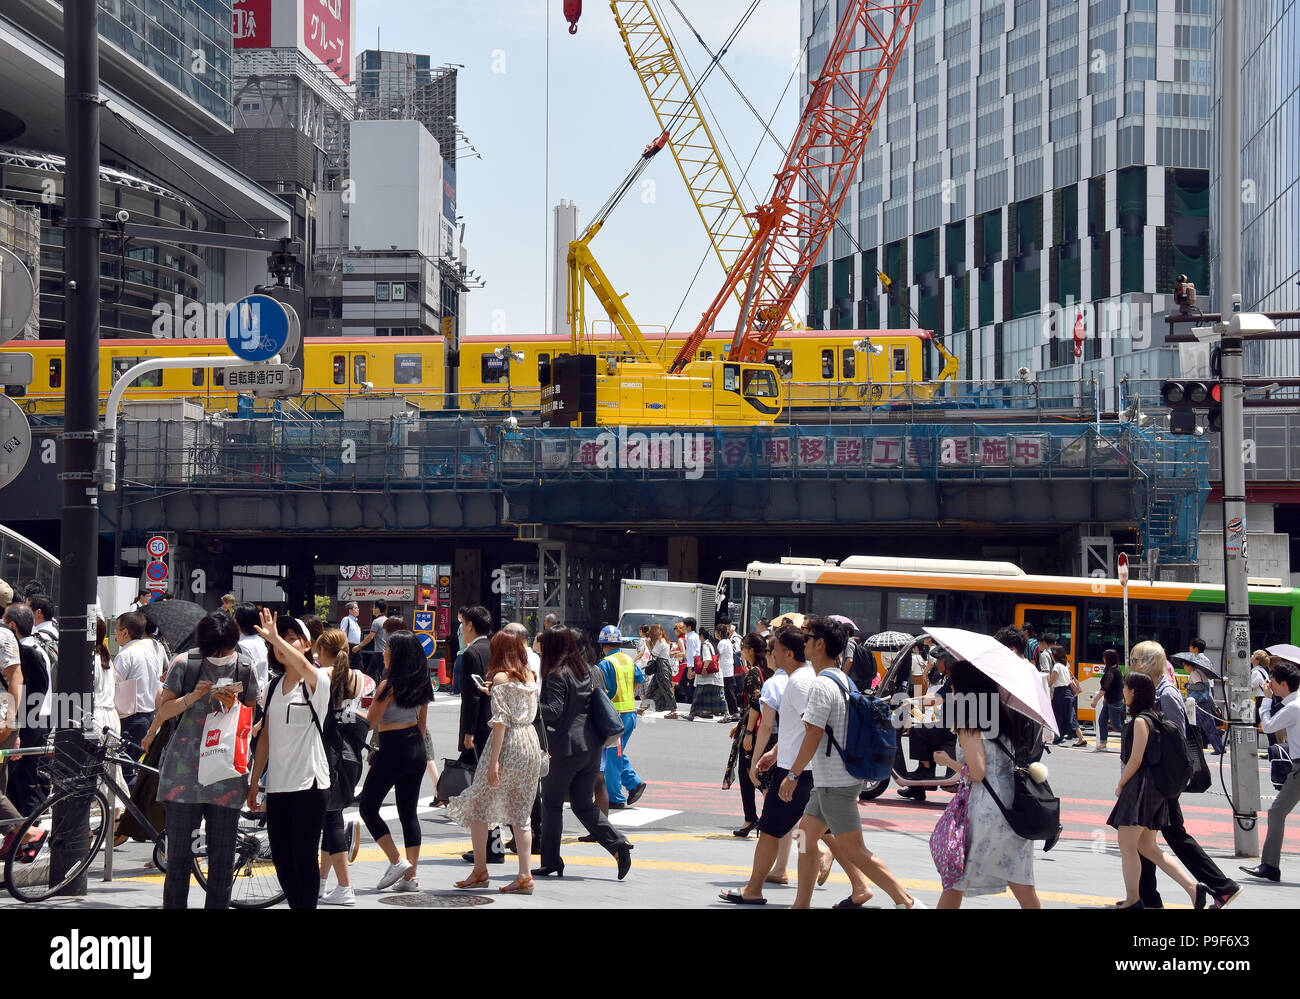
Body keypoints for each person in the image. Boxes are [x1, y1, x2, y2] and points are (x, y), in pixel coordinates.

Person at [781, 616, 921, 909]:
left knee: (854, 849)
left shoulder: (822, 685)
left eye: (806, 638)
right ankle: (800, 904)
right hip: (831, 781)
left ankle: (906, 901)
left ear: (819, 644)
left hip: (836, 784)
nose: (803, 642)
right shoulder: (842, 679)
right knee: (806, 838)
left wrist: (793, 775)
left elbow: (813, 734)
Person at [154, 611, 260, 909]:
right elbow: (162, 711)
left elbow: (251, 717)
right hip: (182, 775)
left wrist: (235, 704)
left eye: (226, 648)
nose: (221, 655)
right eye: (216, 649)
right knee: (178, 861)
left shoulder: (243, 665)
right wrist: (192, 698)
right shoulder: (185, 663)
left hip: (225, 773)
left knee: (222, 859)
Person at [1127, 641, 1239, 908]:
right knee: (1146, 837)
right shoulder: (1156, 690)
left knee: (1165, 836)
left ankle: (1221, 886)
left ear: (1149, 663)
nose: (1132, 665)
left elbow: (1175, 739)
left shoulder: (1166, 694)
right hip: (1156, 779)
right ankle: (1146, 897)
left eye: (1135, 660)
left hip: (1163, 779)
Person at [720, 626, 818, 905]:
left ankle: (753, 889)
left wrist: (793, 773)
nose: (770, 653)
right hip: (796, 766)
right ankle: (860, 885)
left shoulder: (797, 683)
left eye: (775, 649)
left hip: (795, 770)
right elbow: (801, 729)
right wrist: (775, 753)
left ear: (788, 653)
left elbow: (812, 729)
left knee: (771, 831)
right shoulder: (801, 678)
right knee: (818, 836)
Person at [931, 659, 1040, 908]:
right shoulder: (1002, 713)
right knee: (1021, 879)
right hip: (1012, 803)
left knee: (956, 878)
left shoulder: (969, 718)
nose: (952, 690)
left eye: (953, 684)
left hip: (986, 807)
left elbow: (978, 772)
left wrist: (947, 761)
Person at [447, 630, 546, 894]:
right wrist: (493, 690)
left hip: (509, 743)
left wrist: (493, 763)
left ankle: (480, 870)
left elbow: (500, 723)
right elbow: (521, 705)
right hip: (530, 742)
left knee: (479, 803)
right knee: (521, 812)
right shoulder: (529, 677)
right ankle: (525, 876)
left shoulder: (500, 678)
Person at [247, 610, 331, 910]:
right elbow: (266, 737)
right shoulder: (271, 688)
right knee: (281, 859)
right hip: (278, 786)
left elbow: (305, 668)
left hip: (309, 784)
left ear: (307, 645)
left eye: (291, 639)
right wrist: (255, 781)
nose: (281, 645)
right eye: (278, 640)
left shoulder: (317, 680)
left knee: (303, 856)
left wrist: (274, 638)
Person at [534, 626, 632, 879]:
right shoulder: (586, 670)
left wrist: (529, 705)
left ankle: (551, 861)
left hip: (565, 748)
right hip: (591, 746)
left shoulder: (557, 673)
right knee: (582, 804)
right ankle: (618, 843)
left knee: (552, 804)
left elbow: (553, 710)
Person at [1108, 671, 1210, 909]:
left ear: (1133, 692)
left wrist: (1121, 784)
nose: (1123, 691)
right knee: (1148, 847)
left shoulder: (1142, 721)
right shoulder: (1155, 716)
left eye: (1125, 687)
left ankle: (1133, 899)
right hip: (1156, 791)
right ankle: (1194, 888)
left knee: (1127, 844)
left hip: (1141, 789)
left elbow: (1136, 760)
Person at [357, 631, 433, 893]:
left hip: (393, 748)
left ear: (397, 654)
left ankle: (396, 860)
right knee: (408, 814)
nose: (383, 652)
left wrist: (348, 711)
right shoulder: (423, 683)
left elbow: (369, 723)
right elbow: (423, 725)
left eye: (387, 648)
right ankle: (412, 876)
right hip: (416, 748)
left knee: (367, 807)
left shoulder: (387, 686)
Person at [1241, 655, 1300, 884]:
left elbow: (1267, 726)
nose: (1269, 685)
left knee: (1276, 812)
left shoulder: (1293, 707)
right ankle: (1269, 865)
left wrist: (1265, 701)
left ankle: (1270, 866)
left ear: (1283, 685)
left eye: (1272, 682)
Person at [316, 628, 364, 905]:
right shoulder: (357, 677)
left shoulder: (324, 676)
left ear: (324, 651)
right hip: (350, 756)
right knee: (330, 818)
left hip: (328, 755)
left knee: (331, 820)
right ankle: (322, 884)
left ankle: (345, 887)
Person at [456, 605, 503, 864]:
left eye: (462, 624)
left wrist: (468, 732)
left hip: (481, 730)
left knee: (481, 788)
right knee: (492, 785)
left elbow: (471, 698)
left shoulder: (472, 652)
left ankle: (488, 848)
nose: (461, 630)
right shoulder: (496, 647)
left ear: (471, 625)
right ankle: (494, 844)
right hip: (496, 726)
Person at [723, 633, 775, 837]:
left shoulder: (754, 671)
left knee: (751, 774)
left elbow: (755, 704)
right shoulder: (769, 670)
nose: (741, 651)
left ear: (751, 651)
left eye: (743, 647)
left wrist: (748, 732)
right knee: (753, 774)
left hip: (754, 730)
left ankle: (757, 818)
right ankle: (757, 817)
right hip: (760, 727)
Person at [4, 604, 51, 815]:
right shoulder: (36, 647)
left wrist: (17, 727)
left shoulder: (28, 652)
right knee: (23, 776)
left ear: (12, 626)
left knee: (22, 778)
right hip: (38, 718)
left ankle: (29, 829)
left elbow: (36, 690)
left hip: (29, 722)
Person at [595, 626, 648, 807]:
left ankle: (615, 797)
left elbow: (603, 693)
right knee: (616, 752)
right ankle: (633, 783)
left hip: (614, 716)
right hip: (629, 713)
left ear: (602, 645)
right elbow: (639, 679)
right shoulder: (627, 659)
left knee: (611, 756)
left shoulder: (605, 664)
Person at [113, 611, 161, 785]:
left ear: (125, 632)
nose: (115, 634)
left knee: (123, 769)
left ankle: (134, 810)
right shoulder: (150, 654)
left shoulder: (125, 655)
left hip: (129, 718)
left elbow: (113, 686)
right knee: (132, 766)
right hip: (148, 716)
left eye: (117, 629)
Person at [1048, 645, 1087, 747]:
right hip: (1068, 692)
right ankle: (1080, 738)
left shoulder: (1057, 666)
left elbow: (1052, 681)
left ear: (1055, 655)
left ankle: (1061, 737)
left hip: (1060, 693)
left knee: (1059, 716)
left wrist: (1046, 682)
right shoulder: (1065, 666)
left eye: (1052, 653)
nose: (1051, 655)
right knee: (1071, 716)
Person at [233, 602, 269, 702]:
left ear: (238, 621)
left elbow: (241, 675)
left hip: (247, 697)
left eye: (234, 616)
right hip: (262, 692)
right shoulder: (260, 640)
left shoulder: (241, 645)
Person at [1091, 649, 1125, 752]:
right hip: (1111, 700)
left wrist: (1095, 701)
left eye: (1104, 657)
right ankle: (1103, 743)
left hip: (1114, 702)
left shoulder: (1112, 672)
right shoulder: (1116, 669)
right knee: (1102, 720)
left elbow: (1104, 689)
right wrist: (1105, 699)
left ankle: (1131, 735)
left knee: (1116, 725)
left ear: (1109, 659)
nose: (1103, 659)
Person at [638, 623, 675, 714]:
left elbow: (654, 654)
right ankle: (643, 707)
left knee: (666, 688)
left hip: (661, 666)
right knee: (652, 688)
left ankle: (673, 711)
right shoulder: (665, 640)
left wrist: (648, 645)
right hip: (662, 665)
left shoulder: (660, 641)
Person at [356, 599, 389, 678]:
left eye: (374, 608)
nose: (372, 609)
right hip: (385, 651)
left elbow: (370, 637)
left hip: (379, 652)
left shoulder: (376, 621)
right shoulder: (388, 620)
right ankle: (372, 689)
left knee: (383, 675)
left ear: (378, 609)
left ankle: (386, 689)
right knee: (370, 672)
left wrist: (359, 646)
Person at [1250, 650, 1277, 747]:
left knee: (1255, 724)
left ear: (1257, 660)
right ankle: (1272, 747)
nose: (1251, 656)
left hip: (1261, 699)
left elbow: (1251, 686)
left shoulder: (1256, 672)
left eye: (1253, 655)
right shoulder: (1262, 670)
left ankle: (1254, 746)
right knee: (1262, 723)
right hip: (1265, 698)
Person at [715, 622, 739, 722]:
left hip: (724, 670)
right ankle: (733, 712)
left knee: (727, 693)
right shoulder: (728, 641)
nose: (715, 634)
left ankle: (732, 713)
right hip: (728, 669)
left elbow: (717, 656)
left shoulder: (722, 643)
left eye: (716, 632)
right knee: (729, 692)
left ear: (720, 632)